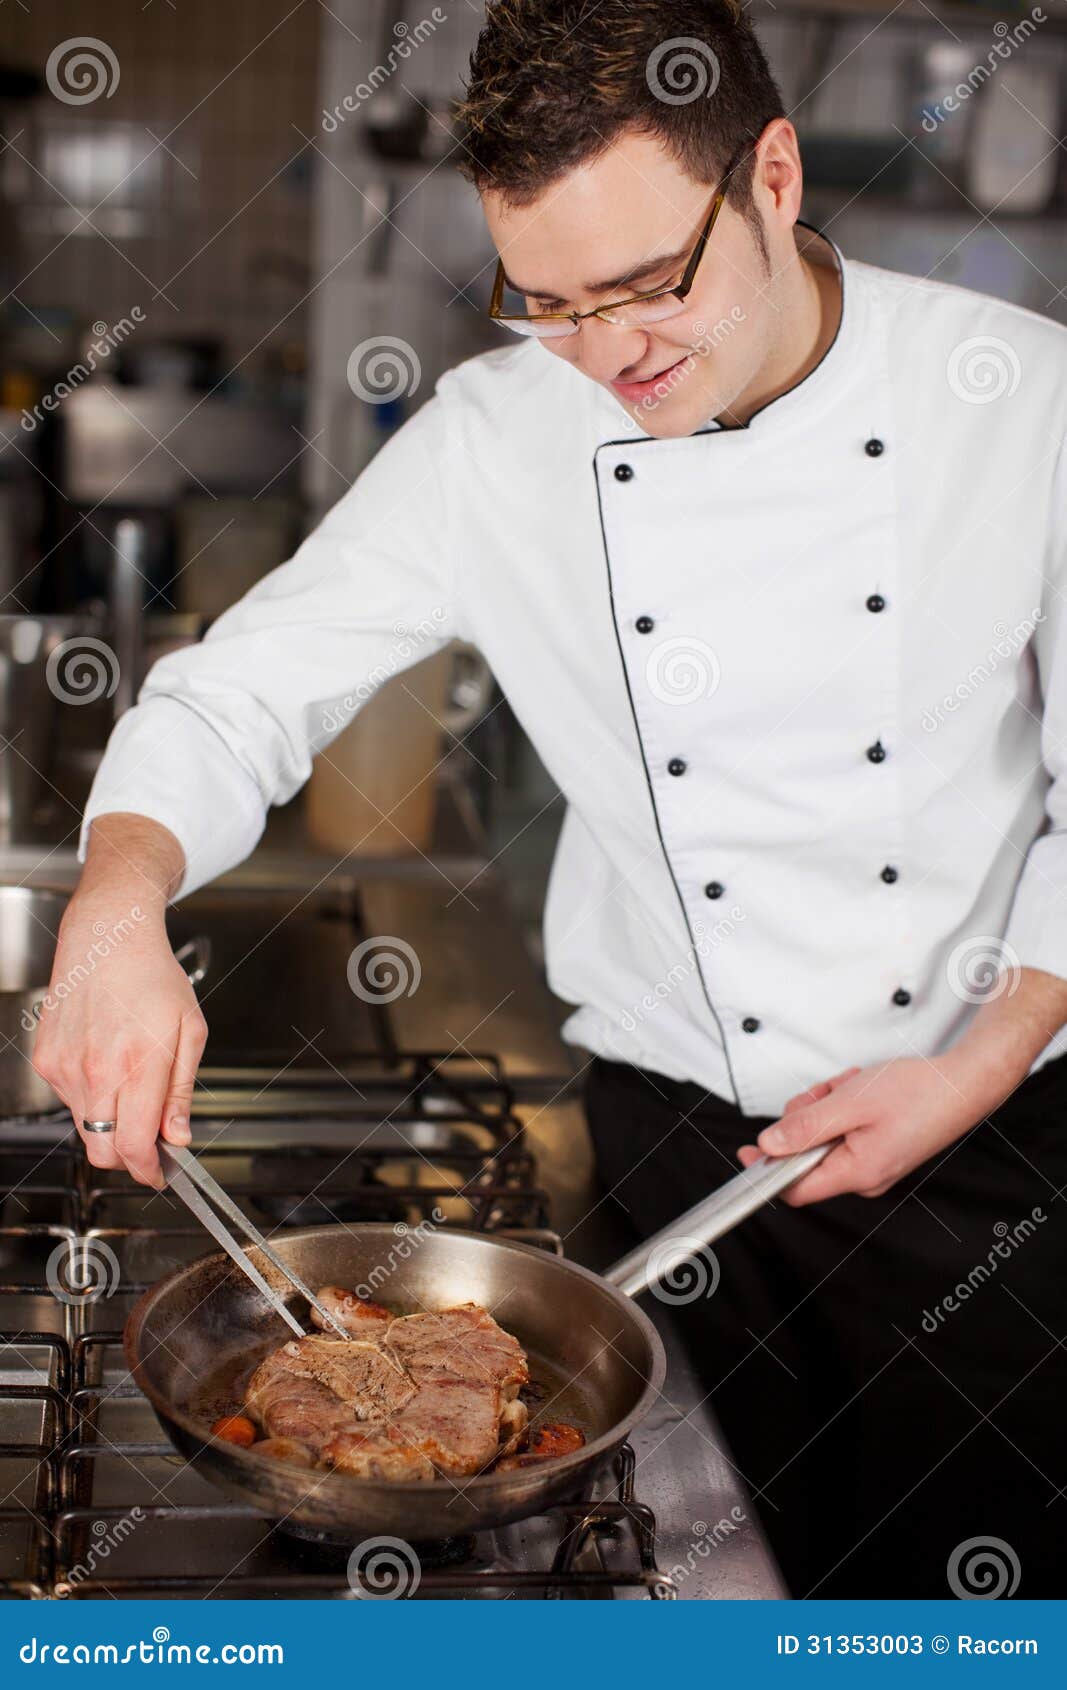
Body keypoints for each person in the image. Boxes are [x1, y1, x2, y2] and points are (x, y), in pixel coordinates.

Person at [34, 0, 1067, 1597]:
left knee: (967, 1597)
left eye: (654, 283)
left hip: (984, 1137)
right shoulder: (498, 439)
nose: (611, 351)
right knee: (713, 1589)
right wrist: (115, 901)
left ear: (775, 177)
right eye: (552, 301)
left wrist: (986, 1055)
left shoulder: (1023, 399)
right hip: (668, 1145)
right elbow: (242, 687)